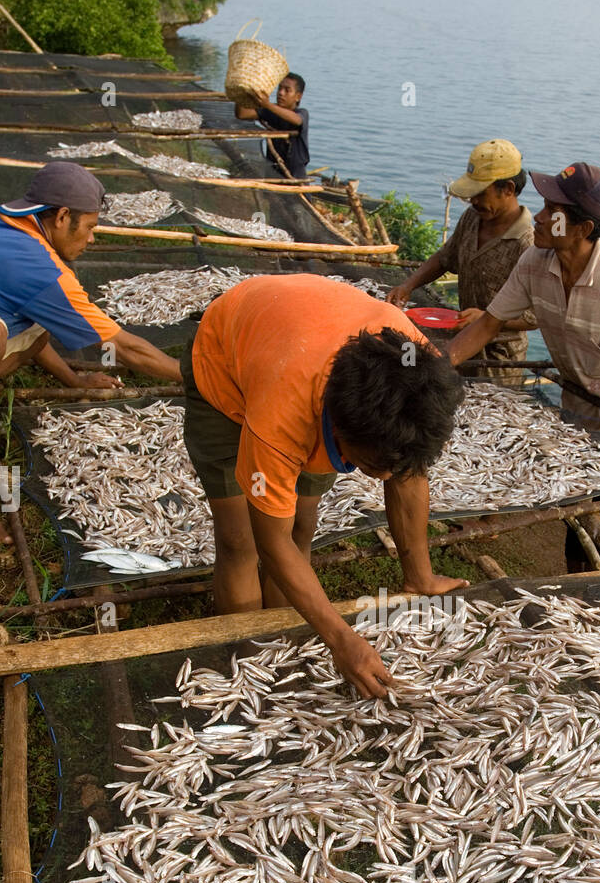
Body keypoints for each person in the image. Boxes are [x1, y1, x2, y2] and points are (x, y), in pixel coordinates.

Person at [181, 273, 467, 698]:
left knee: (302, 526)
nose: (384, 478)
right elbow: (269, 541)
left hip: (304, 343)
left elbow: (407, 472)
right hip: (228, 361)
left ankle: (284, 637)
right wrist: (340, 638)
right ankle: (248, 661)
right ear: (340, 426)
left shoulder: (413, 368)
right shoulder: (282, 415)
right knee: (241, 537)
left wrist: (419, 578)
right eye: (371, 463)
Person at [0, 162, 182, 545]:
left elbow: (37, 326)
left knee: (34, 319)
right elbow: (124, 348)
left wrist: (75, 380)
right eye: (88, 228)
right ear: (62, 216)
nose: (91, 240)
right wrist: (193, 375)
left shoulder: (0, 222)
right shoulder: (42, 270)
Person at [447, 163, 600, 442]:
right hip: (573, 414)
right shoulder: (534, 262)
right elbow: (488, 324)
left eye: (552, 212)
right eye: (544, 207)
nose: (538, 217)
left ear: (583, 229)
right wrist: (437, 366)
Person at [386, 140, 535, 386]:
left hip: (498, 361)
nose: (472, 200)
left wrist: (486, 318)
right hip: (461, 342)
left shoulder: (527, 243)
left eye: (480, 193)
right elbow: (446, 256)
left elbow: (535, 316)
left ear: (508, 189)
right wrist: (408, 286)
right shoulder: (473, 218)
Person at [234, 73, 309, 180]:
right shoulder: (271, 111)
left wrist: (267, 104)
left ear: (298, 97)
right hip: (273, 172)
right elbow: (242, 114)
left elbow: (296, 120)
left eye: (287, 90)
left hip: (295, 176)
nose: (281, 93)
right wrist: (241, 94)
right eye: (280, 89)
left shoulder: (302, 113)